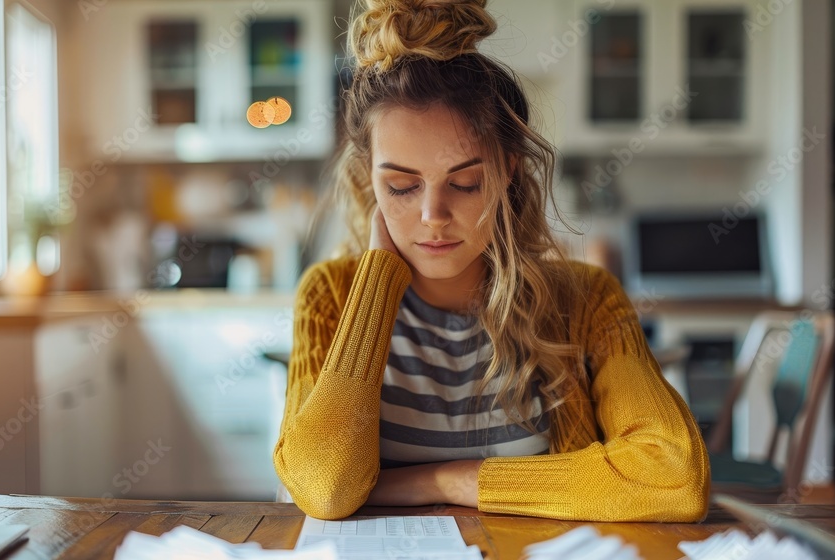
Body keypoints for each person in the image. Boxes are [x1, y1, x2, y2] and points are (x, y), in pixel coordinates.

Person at [272, 0, 710, 522]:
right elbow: (324, 488)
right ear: (370, 178)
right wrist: (376, 282)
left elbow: (672, 475)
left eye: (464, 182)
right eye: (402, 186)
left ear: (507, 171)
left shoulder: (588, 299)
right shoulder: (332, 295)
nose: (433, 216)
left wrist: (446, 480)